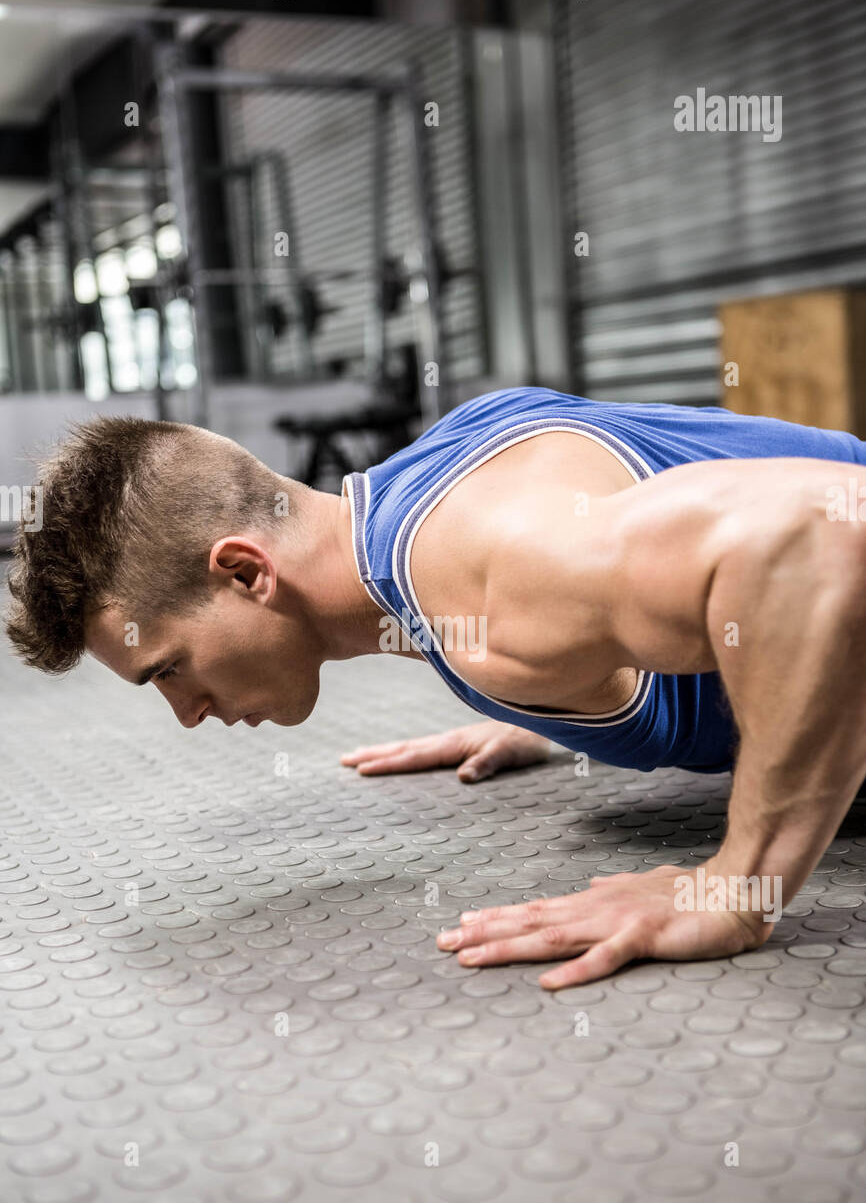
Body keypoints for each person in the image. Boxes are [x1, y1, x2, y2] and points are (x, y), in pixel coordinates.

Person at [7, 386, 866, 988]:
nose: (187, 713)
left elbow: (816, 542)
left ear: (243, 571)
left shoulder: (495, 581)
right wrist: (570, 715)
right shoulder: (422, 504)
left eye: (168, 668)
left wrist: (736, 888)